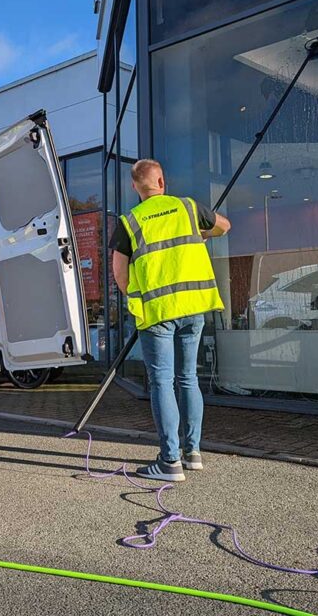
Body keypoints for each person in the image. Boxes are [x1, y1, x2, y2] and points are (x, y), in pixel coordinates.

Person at [110, 159, 230, 482]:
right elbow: (224, 226)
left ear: (136, 188)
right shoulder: (188, 208)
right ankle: (193, 452)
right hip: (193, 307)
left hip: (157, 313)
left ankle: (169, 461)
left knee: (162, 382)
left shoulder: (129, 222)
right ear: (162, 182)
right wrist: (202, 233)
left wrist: (135, 296)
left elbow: (119, 271)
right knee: (188, 377)